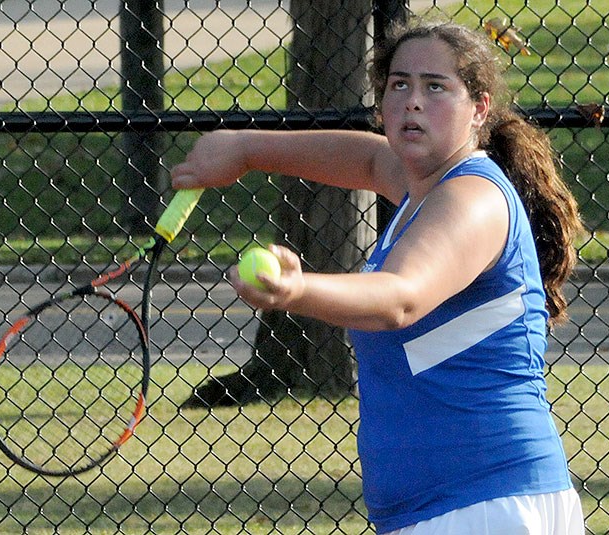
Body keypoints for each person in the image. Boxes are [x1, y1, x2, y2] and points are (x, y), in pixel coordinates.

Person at [171, 17, 586, 535]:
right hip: (443, 508)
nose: (413, 100)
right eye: (399, 85)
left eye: (436, 87)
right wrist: (246, 148)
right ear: (382, 105)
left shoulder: (473, 198)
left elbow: (400, 298)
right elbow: (367, 158)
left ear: (478, 108)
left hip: (486, 503)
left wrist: (297, 289)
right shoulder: (422, 188)